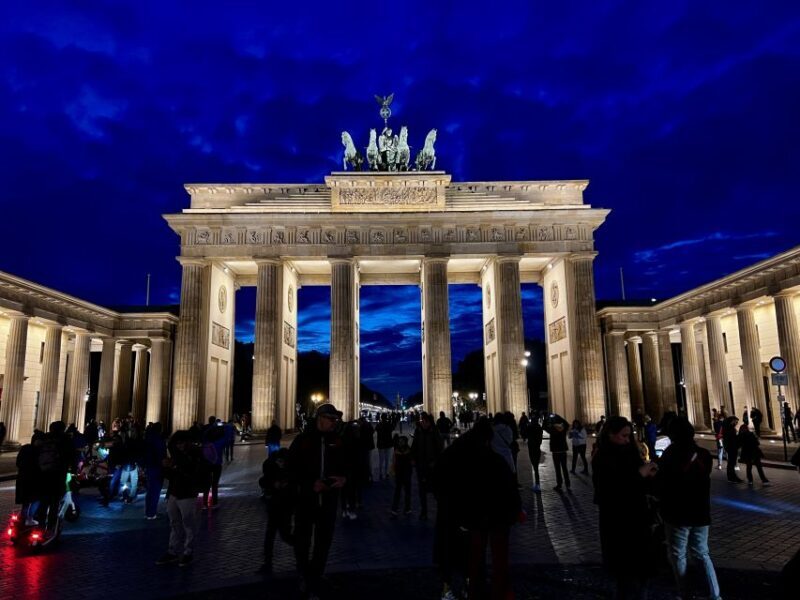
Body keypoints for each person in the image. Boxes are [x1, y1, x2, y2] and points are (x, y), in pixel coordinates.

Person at [592, 416, 658, 599]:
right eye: (624, 436)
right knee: (628, 578)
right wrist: (639, 474)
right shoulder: (602, 457)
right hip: (618, 525)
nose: (628, 440)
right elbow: (610, 490)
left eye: (629, 436)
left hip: (638, 522)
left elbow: (639, 485)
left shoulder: (630, 454)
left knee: (642, 576)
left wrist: (650, 476)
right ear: (610, 435)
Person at [655, 416, 721, 600]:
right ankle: (714, 594)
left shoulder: (670, 454)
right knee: (702, 553)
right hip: (700, 511)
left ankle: (684, 593)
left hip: (677, 511)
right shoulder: (704, 455)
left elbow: (663, 481)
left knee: (678, 554)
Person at [288, 403, 346, 599]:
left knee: (324, 541)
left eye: (336, 420)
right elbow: (291, 470)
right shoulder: (302, 440)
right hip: (306, 500)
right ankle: (304, 574)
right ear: (320, 418)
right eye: (332, 419)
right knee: (302, 540)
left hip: (329, 501)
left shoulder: (338, 440)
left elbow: (347, 465)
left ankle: (316, 575)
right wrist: (310, 484)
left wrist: (344, 478)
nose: (335, 423)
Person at [156, 430, 204, 567]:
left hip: (188, 495)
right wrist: (167, 468)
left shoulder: (194, 456)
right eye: (177, 443)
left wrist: (175, 467)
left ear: (188, 443)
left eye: (182, 443)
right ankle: (173, 551)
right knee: (174, 523)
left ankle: (188, 552)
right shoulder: (176, 456)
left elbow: (193, 474)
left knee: (189, 525)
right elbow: (171, 476)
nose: (179, 446)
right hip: (174, 493)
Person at [259, 448, 295, 574]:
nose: (281, 464)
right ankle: (267, 563)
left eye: (283, 462)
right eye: (280, 461)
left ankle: (301, 549)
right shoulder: (270, 465)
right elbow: (263, 480)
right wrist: (273, 484)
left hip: (286, 506)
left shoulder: (291, 469)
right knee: (270, 535)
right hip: (274, 505)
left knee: (285, 535)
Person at [410, 411, 443, 520]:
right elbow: (414, 446)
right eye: (422, 421)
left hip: (431, 465)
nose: (423, 423)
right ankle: (424, 511)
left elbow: (439, 448)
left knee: (435, 489)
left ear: (429, 422)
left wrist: (436, 461)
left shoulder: (434, 432)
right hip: (420, 464)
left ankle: (440, 511)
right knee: (421, 489)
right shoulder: (418, 431)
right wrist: (413, 458)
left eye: (425, 421)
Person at [143, 422, 167, 519]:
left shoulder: (148, 438)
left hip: (149, 466)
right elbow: (161, 454)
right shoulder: (158, 440)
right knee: (155, 491)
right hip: (157, 467)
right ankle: (152, 513)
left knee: (150, 491)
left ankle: (148, 511)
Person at [545, 416, 570, 491]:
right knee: (564, 468)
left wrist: (547, 419)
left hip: (555, 452)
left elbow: (544, 427)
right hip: (563, 451)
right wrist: (558, 416)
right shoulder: (563, 429)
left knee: (557, 469)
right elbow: (567, 424)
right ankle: (567, 484)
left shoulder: (552, 429)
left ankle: (559, 484)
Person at [391, 435, 413, 517]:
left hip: (403, 474)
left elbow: (394, 462)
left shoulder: (398, 451)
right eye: (399, 441)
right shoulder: (407, 450)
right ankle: (403, 508)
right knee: (402, 492)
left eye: (402, 441)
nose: (400, 443)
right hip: (402, 474)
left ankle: (398, 508)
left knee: (401, 492)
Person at [722, 415, 742, 482]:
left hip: (732, 447)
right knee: (731, 463)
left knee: (732, 463)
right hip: (731, 447)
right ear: (732, 421)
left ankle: (732, 477)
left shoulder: (730, 428)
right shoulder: (729, 429)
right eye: (736, 422)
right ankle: (731, 477)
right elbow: (730, 439)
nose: (736, 423)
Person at [527, 414, 544, 493]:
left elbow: (525, 434)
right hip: (537, 448)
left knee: (535, 466)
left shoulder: (530, 427)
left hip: (531, 448)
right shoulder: (539, 428)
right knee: (536, 466)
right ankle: (537, 484)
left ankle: (537, 484)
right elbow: (540, 438)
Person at [376, 414, 394, 480]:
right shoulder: (389, 424)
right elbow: (392, 429)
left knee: (381, 460)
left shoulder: (379, 425)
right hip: (388, 443)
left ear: (381, 418)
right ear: (386, 417)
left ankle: (380, 473)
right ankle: (386, 473)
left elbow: (376, 430)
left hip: (380, 444)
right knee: (387, 459)